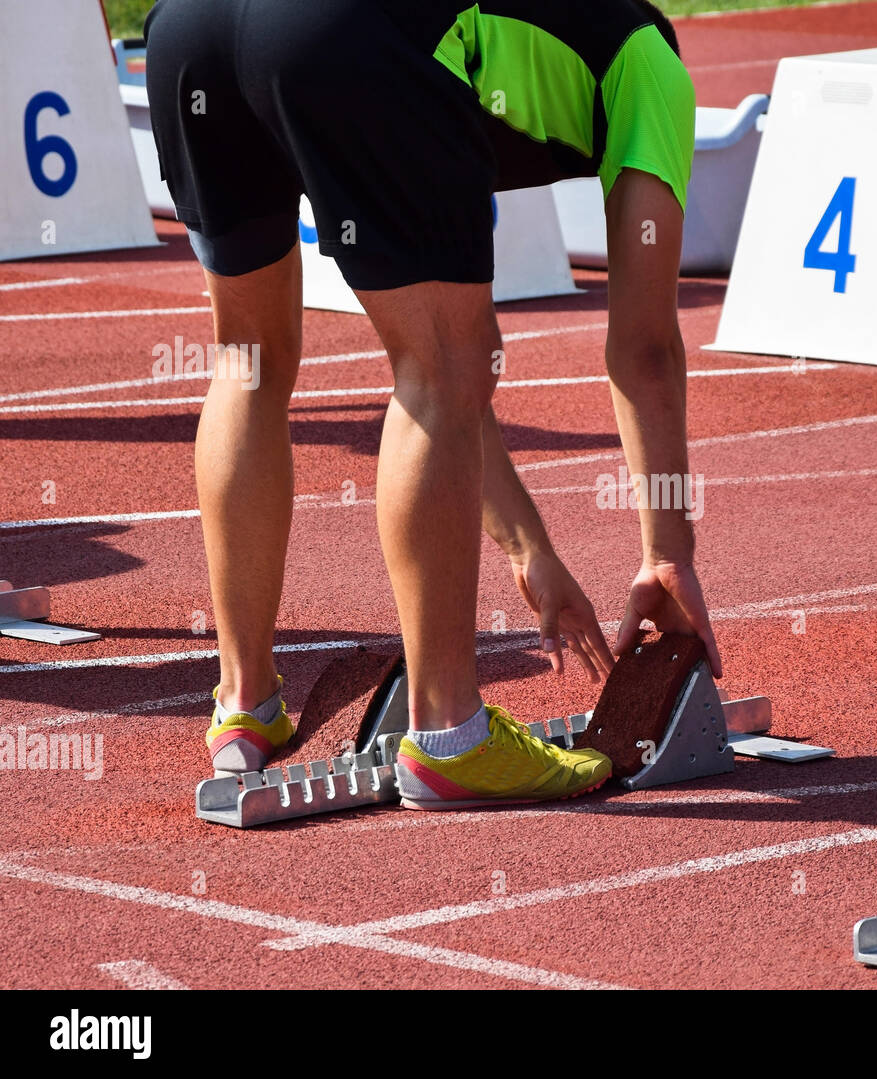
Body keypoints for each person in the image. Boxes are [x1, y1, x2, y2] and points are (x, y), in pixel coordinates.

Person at [144, 0, 721, 810]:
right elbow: (647, 348)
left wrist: (530, 553)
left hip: (192, 29)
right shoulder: (651, 64)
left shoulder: (491, 47)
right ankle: (451, 733)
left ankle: (244, 705)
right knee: (440, 362)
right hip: (336, 29)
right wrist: (669, 550)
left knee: (249, 360)